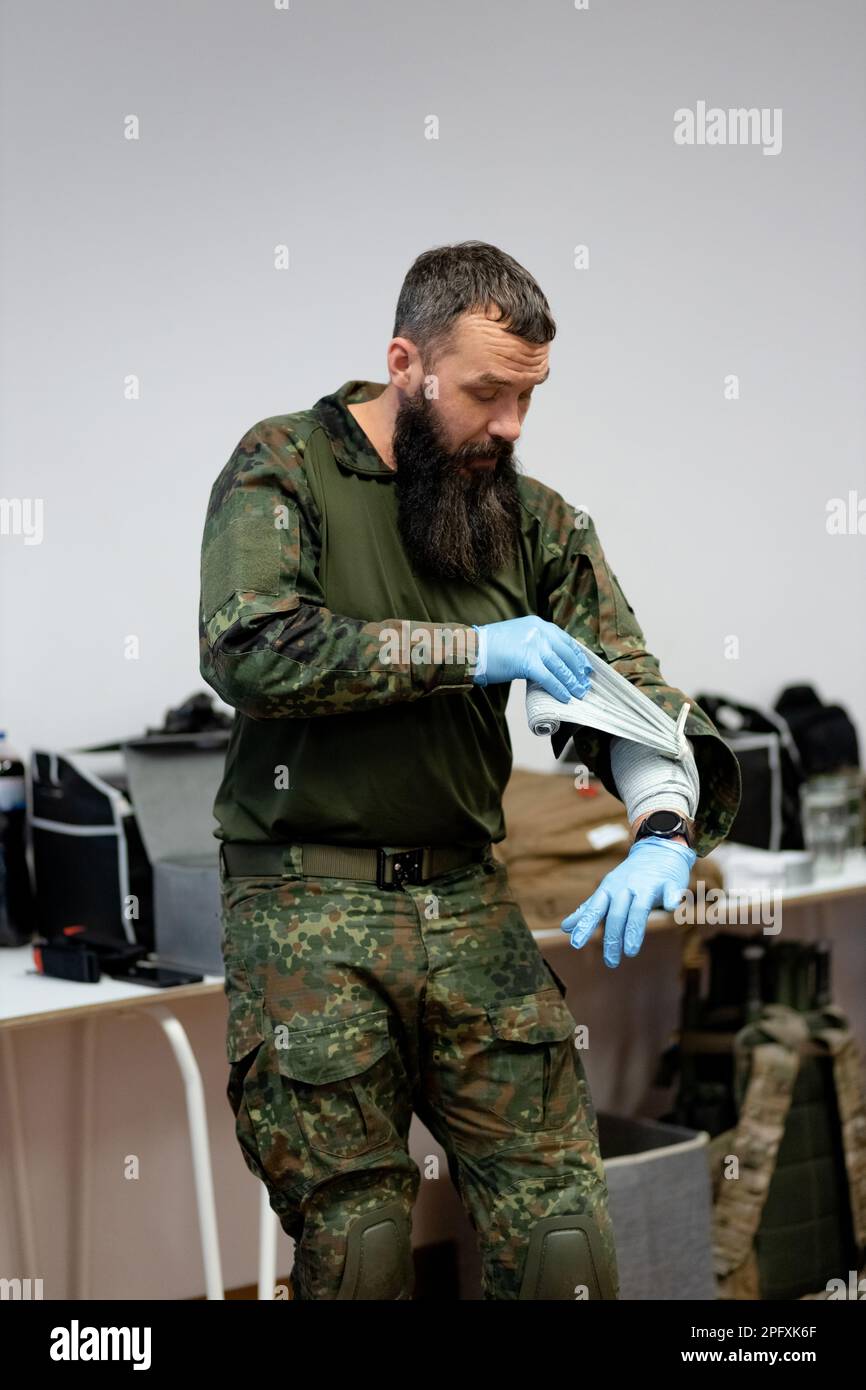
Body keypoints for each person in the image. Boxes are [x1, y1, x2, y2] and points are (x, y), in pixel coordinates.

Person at [198, 240, 741, 1300]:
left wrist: (663, 825)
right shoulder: (283, 465)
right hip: (308, 897)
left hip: (465, 895)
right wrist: (472, 650)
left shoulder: (528, 517)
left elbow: (622, 684)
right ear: (406, 362)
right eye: (486, 393)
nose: (508, 426)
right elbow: (250, 647)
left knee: (563, 1244)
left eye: (527, 399)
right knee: (358, 1252)